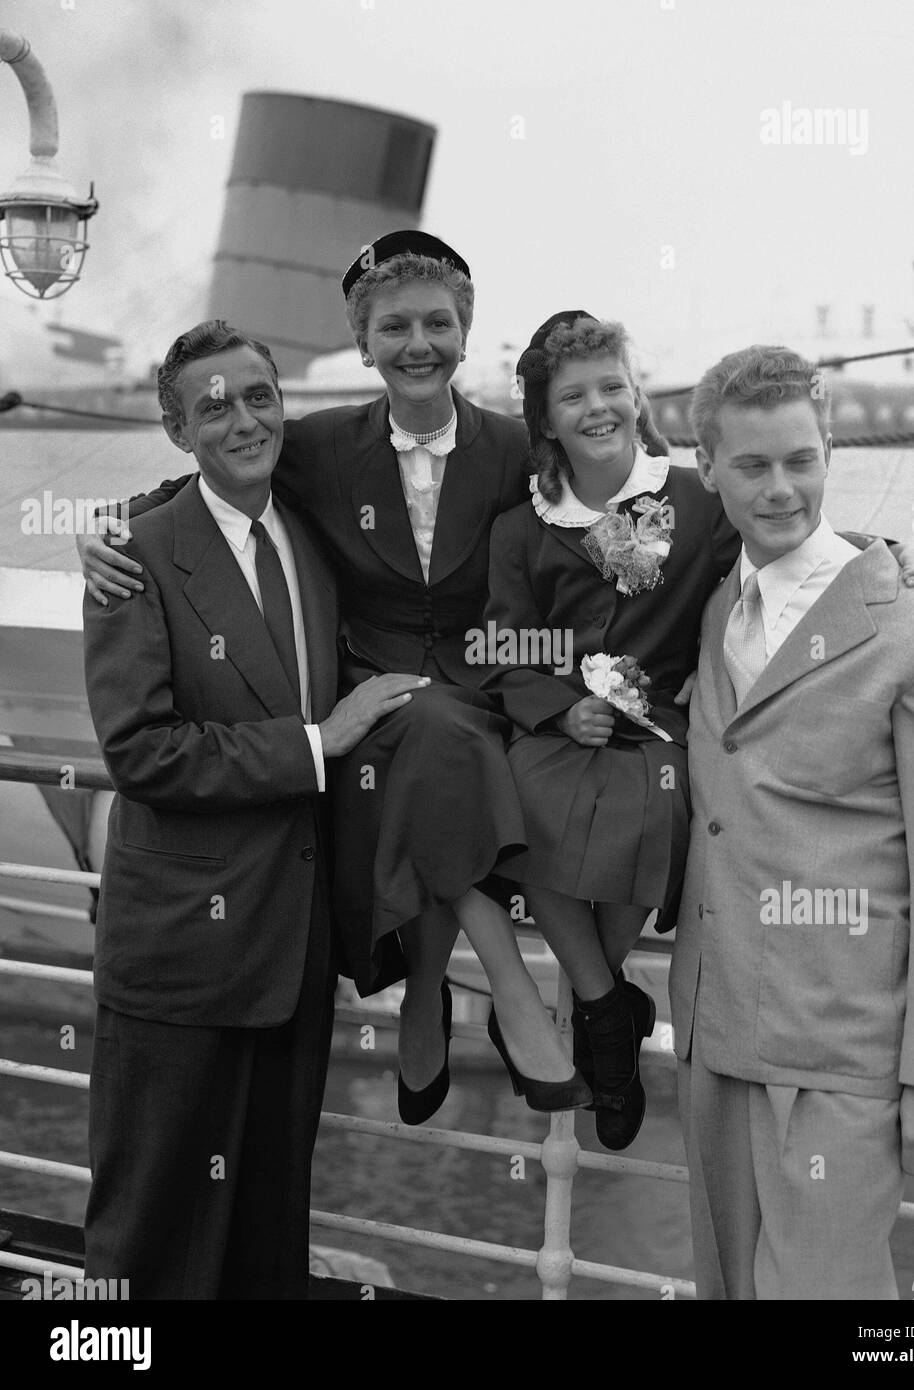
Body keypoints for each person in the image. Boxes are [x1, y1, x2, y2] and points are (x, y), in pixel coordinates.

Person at [77, 232, 589, 1121]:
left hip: (482, 693)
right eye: (394, 327)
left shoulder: (514, 449)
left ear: (466, 334)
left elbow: (641, 497)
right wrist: (110, 525)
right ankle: (508, 986)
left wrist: (869, 547)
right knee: (427, 742)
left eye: (437, 323)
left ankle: (426, 993)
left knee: (443, 750)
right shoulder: (319, 444)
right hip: (374, 701)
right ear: (364, 345)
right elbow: (216, 476)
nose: (417, 344)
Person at [482, 312, 914, 1152]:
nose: (598, 408)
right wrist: (557, 704)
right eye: (573, 396)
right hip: (558, 720)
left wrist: (891, 552)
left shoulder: (693, 497)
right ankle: (601, 1005)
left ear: (637, 396)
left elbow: (789, 530)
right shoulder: (521, 529)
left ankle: (605, 1003)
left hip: (661, 719)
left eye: (613, 388)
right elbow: (505, 643)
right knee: (518, 799)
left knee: (656, 807)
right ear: (543, 418)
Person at [82, 321, 428, 1298]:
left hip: (294, 952)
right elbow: (141, 750)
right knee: (147, 1239)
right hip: (181, 957)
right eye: (214, 405)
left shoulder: (314, 535)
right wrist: (325, 741)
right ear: (175, 426)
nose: (243, 418)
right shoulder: (133, 554)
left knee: (264, 1240)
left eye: (259, 396)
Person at [671, 344, 914, 1299]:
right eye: (753, 466)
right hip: (715, 1035)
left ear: (828, 453)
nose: (783, 490)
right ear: (707, 470)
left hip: (842, 1062)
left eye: (802, 460)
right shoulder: (714, 613)